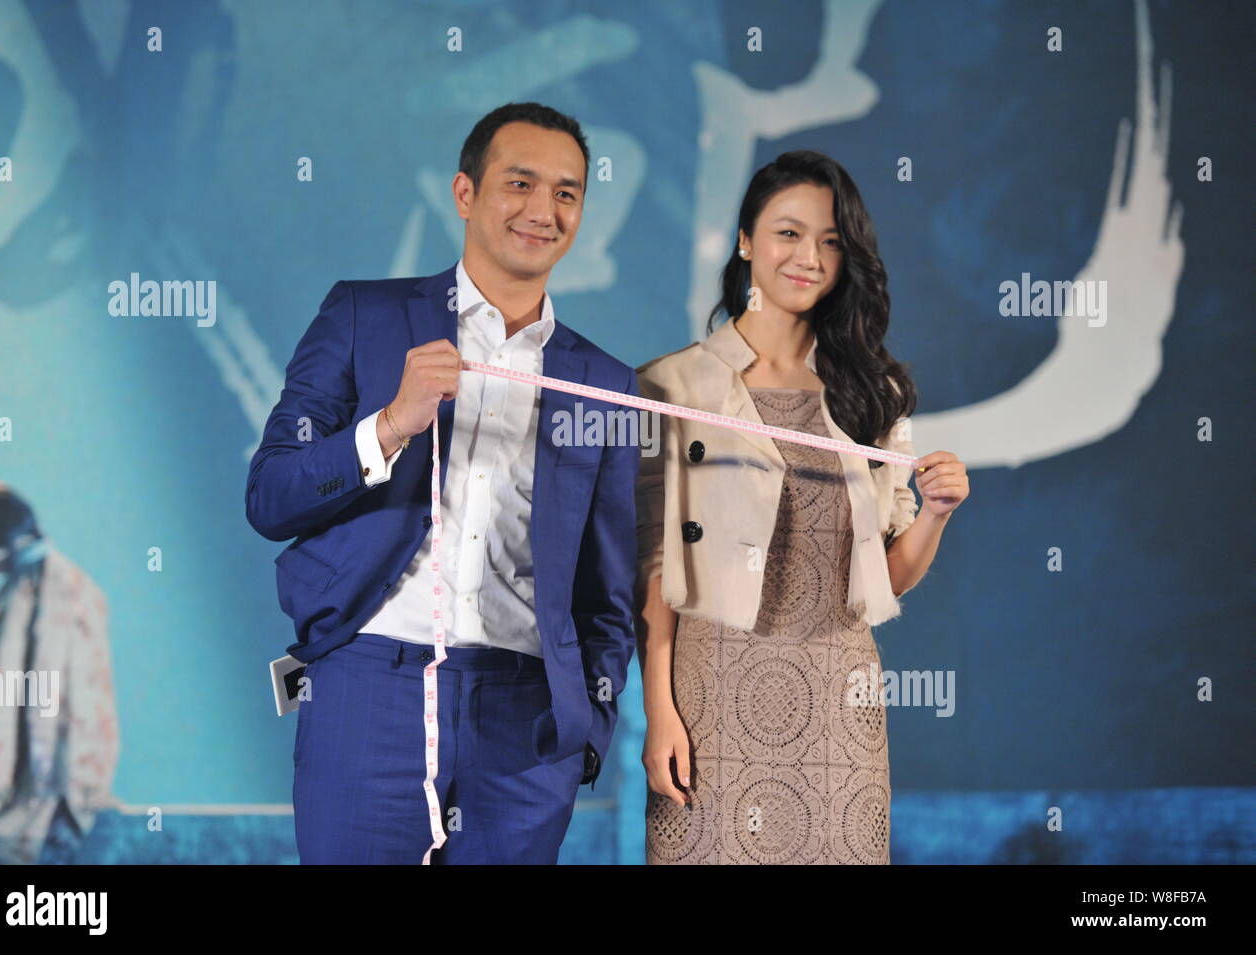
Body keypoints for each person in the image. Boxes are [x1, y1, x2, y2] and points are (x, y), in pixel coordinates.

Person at [246, 102, 639, 864]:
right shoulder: (365, 314)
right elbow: (270, 495)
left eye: (567, 193)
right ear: (464, 193)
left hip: (526, 720)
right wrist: (391, 422)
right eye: (519, 183)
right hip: (368, 685)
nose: (543, 209)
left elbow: (608, 590)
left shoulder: (604, 382)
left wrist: (587, 723)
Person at [634, 151, 970, 864]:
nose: (809, 257)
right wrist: (659, 709)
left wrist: (936, 511)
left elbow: (892, 574)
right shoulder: (673, 384)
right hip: (710, 698)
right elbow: (657, 568)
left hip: (838, 706)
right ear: (746, 240)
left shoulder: (873, 390)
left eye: (829, 241)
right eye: (788, 234)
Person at [0, 481, 119, 864]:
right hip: (84, 782)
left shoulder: (24, 596)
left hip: (31, 797)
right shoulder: (80, 584)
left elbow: (0, 704)